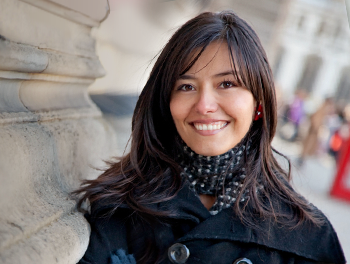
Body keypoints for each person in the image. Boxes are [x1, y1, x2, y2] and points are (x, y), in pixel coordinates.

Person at [74, 11, 346, 264]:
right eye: (187, 86)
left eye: (227, 84)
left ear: (259, 103)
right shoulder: (118, 206)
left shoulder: (308, 236)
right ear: (166, 103)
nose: (204, 105)